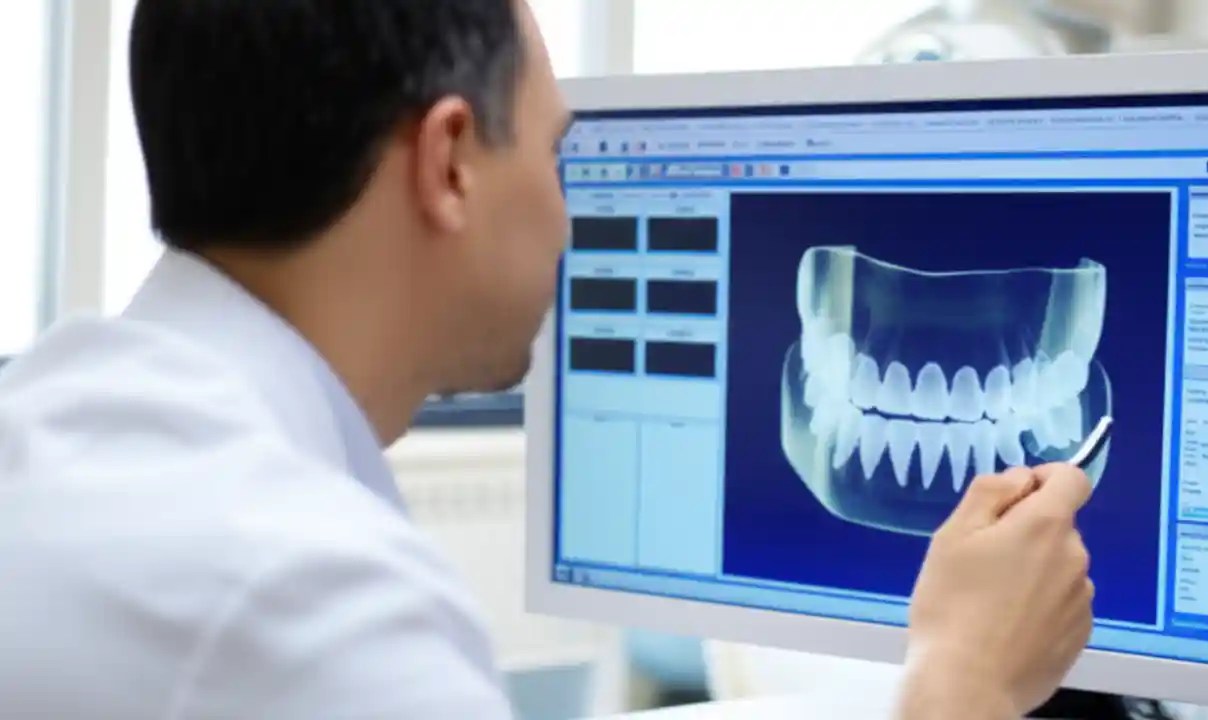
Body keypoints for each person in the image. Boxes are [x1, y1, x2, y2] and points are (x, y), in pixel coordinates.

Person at [0, 1, 1094, 718]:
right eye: (558, 152)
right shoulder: (307, 598)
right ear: (449, 166)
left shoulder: (53, 426)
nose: (573, 218)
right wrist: (964, 679)